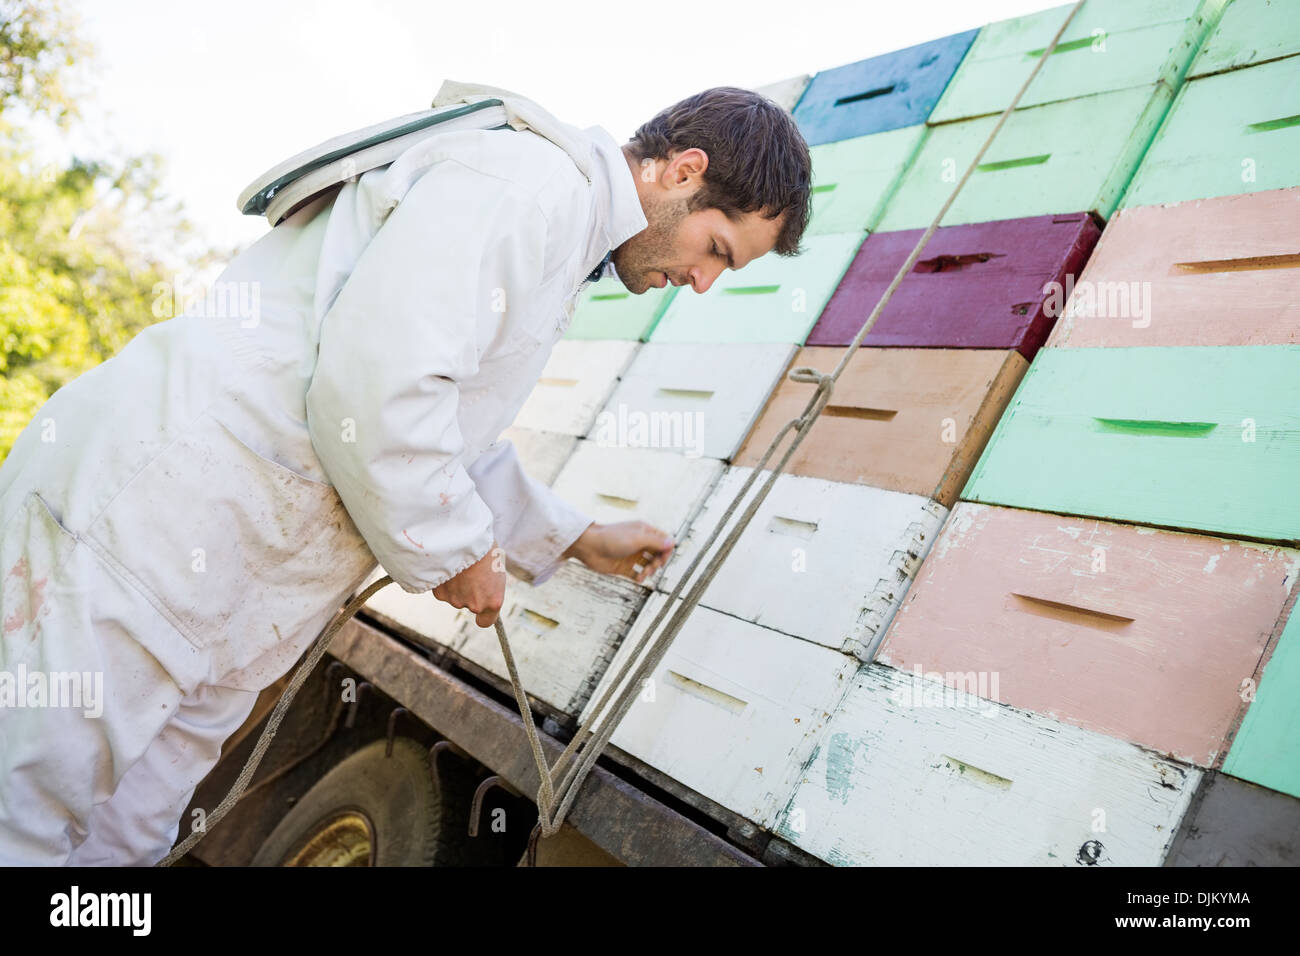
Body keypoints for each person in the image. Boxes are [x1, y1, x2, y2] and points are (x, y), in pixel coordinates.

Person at [0, 79, 812, 865]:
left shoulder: (556, 233)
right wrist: (457, 548)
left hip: (228, 577)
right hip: (158, 523)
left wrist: (579, 539)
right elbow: (379, 381)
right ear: (683, 171)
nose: (702, 283)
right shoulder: (533, 189)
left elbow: (452, 436)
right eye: (716, 251)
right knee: (26, 812)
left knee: (119, 843)